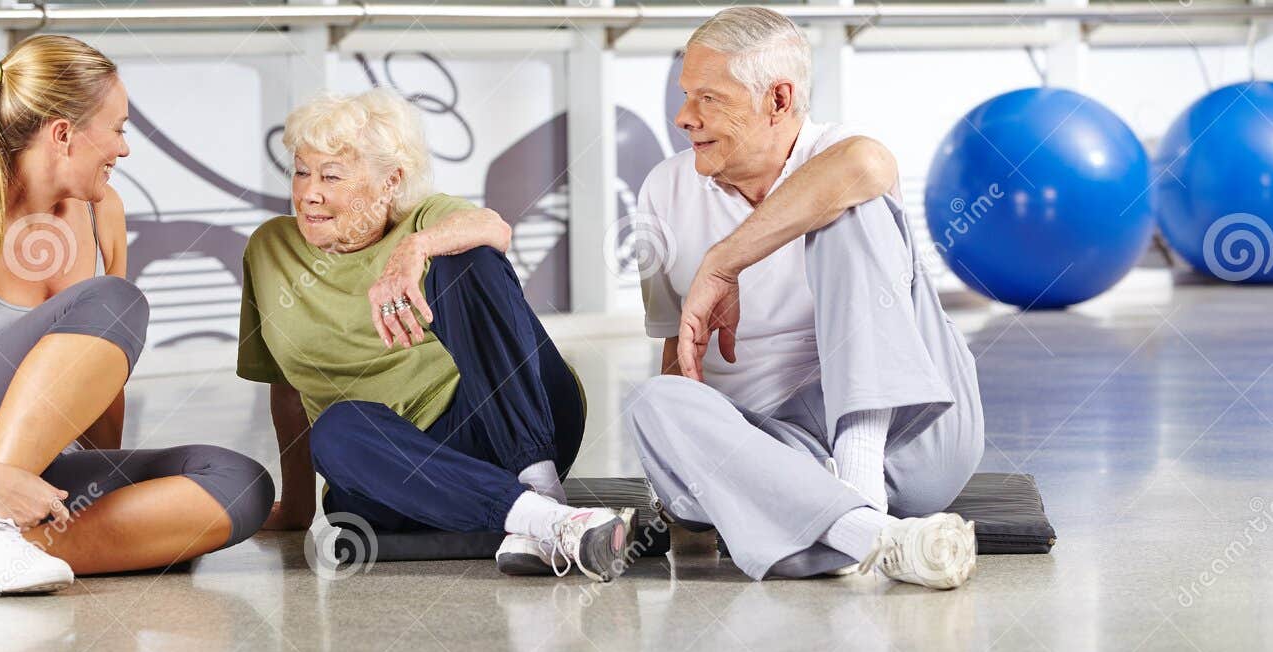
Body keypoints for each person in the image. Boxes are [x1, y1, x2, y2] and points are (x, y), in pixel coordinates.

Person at [0, 35, 273, 596]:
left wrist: (104, 482)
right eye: (118, 128)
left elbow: (101, 383)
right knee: (114, 301)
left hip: (32, 471)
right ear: (63, 134)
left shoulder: (105, 213)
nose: (123, 150)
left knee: (240, 484)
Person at [626, 7, 985, 589]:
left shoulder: (839, 151)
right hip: (782, 452)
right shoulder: (664, 189)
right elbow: (678, 357)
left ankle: (857, 482)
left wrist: (723, 261)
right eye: (686, 95)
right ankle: (867, 535)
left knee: (851, 205)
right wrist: (688, 452)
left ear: (778, 98)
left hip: (912, 434)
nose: (684, 117)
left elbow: (866, 165)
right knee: (653, 402)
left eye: (708, 99)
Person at [239, 88, 633, 582]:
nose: (309, 193)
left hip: (499, 423)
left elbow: (493, 227)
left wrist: (415, 250)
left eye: (332, 176)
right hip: (393, 466)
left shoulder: (423, 218)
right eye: (302, 172)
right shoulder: (268, 250)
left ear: (391, 182)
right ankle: (545, 522)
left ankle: (539, 483)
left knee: (468, 256)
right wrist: (296, 508)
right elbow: (287, 389)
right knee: (336, 430)